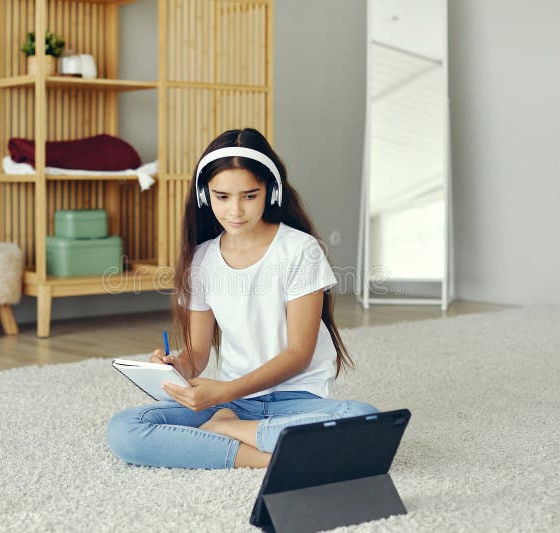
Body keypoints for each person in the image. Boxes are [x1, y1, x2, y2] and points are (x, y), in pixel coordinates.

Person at [107, 128, 378, 469]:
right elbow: (198, 354)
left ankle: (230, 431)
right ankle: (263, 456)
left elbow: (298, 353)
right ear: (205, 196)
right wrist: (177, 366)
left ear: (271, 192)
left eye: (249, 196)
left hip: (297, 401)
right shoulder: (202, 259)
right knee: (124, 430)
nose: (235, 210)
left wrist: (226, 393)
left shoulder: (300, 250)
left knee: (362, 419)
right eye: (222, 197)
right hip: (233, 400)